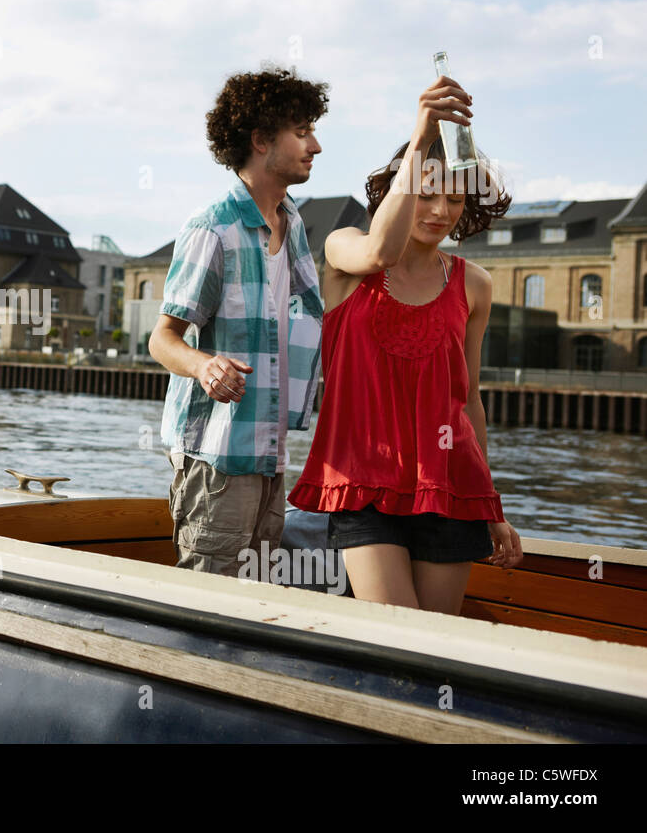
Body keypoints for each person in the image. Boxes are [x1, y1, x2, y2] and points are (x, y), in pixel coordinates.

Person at [287, 74, 524, 614]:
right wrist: (420, 139)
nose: (440, 211)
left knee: (436, 649)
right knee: (397, 634)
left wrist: (491, 504)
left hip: (449, 484)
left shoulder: (475, 285)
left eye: (455, 200)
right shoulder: (344, 252)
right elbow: (379, 254)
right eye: (426, 193)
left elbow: (468, 402)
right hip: (362, 480)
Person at [150, 65, 328, 576]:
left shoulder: (292, 224)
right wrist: (205, 366)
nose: (315, 146)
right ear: (259, 140)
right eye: (302, 132)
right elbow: (162, 339)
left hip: (270, 454)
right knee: (209, 599)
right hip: (217, 456)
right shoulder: (213, 229)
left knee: (258, 593)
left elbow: (309, 325)